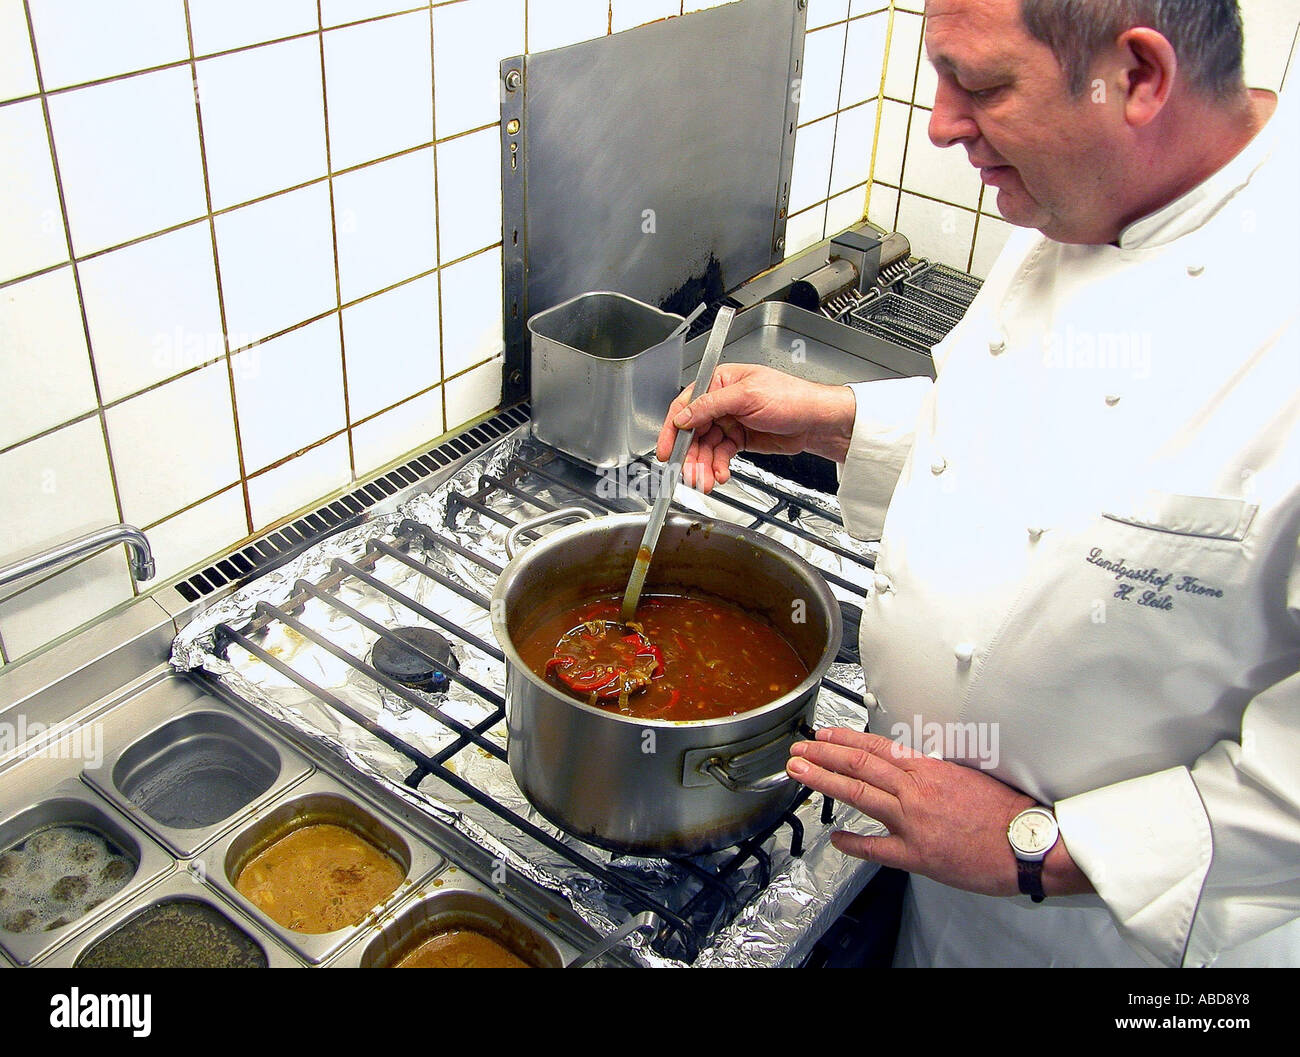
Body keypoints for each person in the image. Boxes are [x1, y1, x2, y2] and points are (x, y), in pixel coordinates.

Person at [657, 0, 1298, 967]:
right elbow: (1054, 460)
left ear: (1140, 78)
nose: (941, 122)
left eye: (984, 85)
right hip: (952, 900)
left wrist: (1032, 845)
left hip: (1138, 949)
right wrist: (839, 418)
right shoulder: (1096, 185)